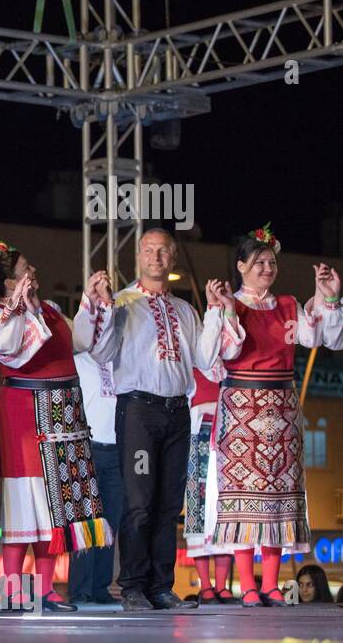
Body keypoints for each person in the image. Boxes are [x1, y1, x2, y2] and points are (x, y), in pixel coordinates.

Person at [77, 229, 227, 611]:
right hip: (140, 411)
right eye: (149, 250)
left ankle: (161, 586)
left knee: (168, 504)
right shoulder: (123, 302)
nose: (156, 257)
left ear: (172, 258)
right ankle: (132, 585)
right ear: (138, 257)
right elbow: (102, 353)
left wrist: (215, 311)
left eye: (163, 251)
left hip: (178, 411)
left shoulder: (185, 309)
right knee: (139, 502)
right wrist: (105, 310)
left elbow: (206, 360)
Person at [205, 224, 342, 606]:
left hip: (282, 409)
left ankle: (269, 584)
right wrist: (228, 311)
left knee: (279, 501)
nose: (267, 268)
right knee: (244, 498)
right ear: (241, 266)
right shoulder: (229, 303)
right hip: (243, 407)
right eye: (259, 262)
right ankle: (247, 584)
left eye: (271, 262)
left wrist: (327, 297)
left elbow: (320, 339)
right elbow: (226, 354)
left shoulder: (286, 305)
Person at [0, 241, 112, 612]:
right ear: (8, 281)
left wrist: (90, 300)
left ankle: (44, 588)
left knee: (57, 504)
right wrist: (17, 307)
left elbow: (82, 341)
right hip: (25, 412)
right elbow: (10, 350)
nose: (33, 273)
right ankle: (12, 589)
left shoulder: (52, 310)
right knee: (24, 501)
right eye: (26, 269)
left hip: (64, 412)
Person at [182, 367, 239, 604]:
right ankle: (205, 585)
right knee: (197, 514)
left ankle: (222, 585)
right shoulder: (189, 369)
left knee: (225, 512)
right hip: (197, 440)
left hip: (227, 440)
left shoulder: (229, 368)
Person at [70, 351, 120, 604]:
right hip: (86, 447)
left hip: (117, 449)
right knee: (86, 522)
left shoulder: (120, 362)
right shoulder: (78, 361)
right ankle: (80, 589)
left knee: (111, 522)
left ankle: (101, 587)